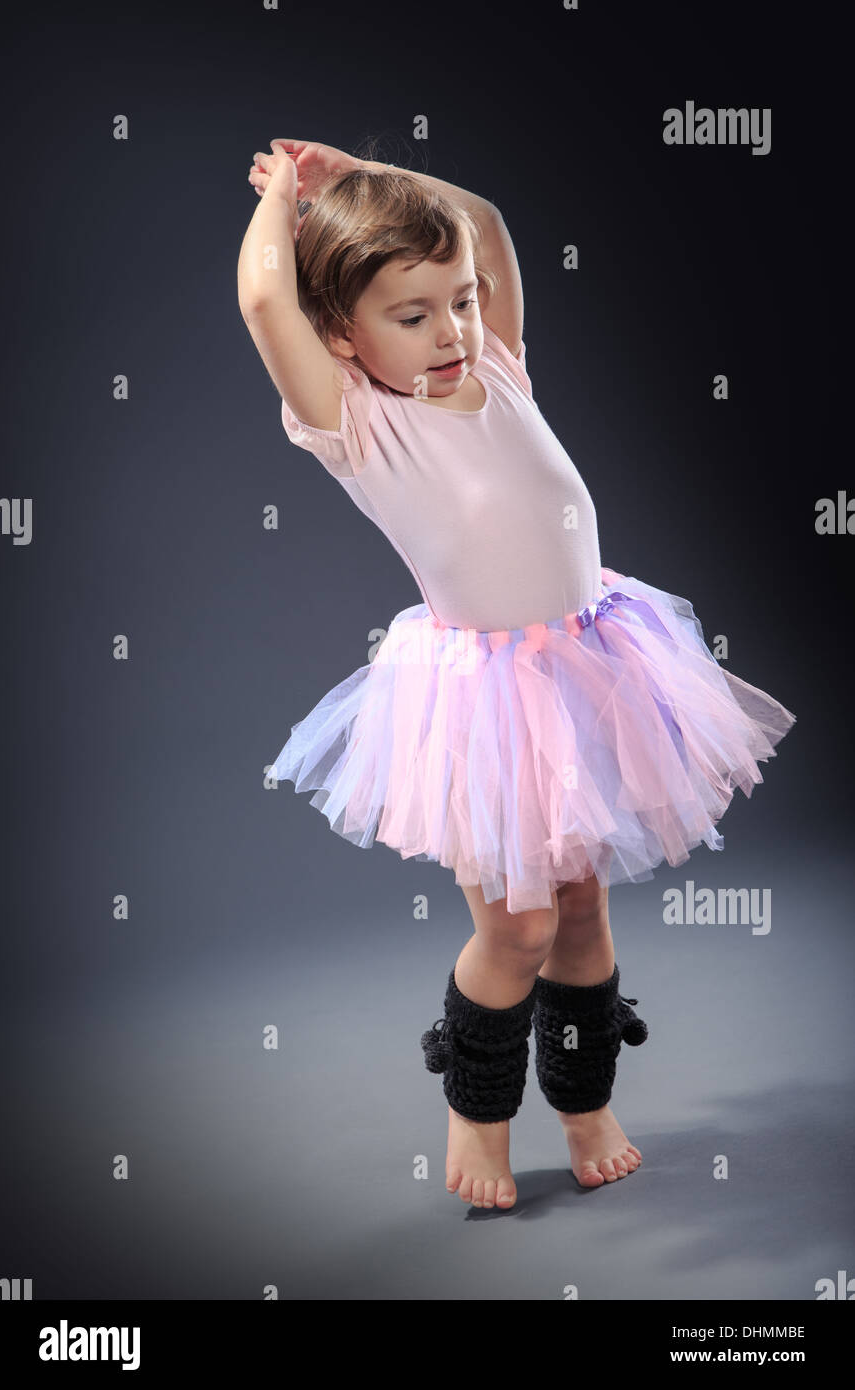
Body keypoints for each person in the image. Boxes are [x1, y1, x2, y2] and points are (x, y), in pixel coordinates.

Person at [237, 140, 796, 1210]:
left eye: (459, 303)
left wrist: (363, 171)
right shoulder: (357, 421)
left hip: (590, 664)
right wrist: (293, 203)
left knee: (580, 915)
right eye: (414, 316)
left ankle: (583, 1102)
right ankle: (478, 1111)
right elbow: (265, 297)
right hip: (484, 699)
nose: (450, 331)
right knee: (517, 927)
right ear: (340, 334)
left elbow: (483, 222)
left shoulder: (492, 363)